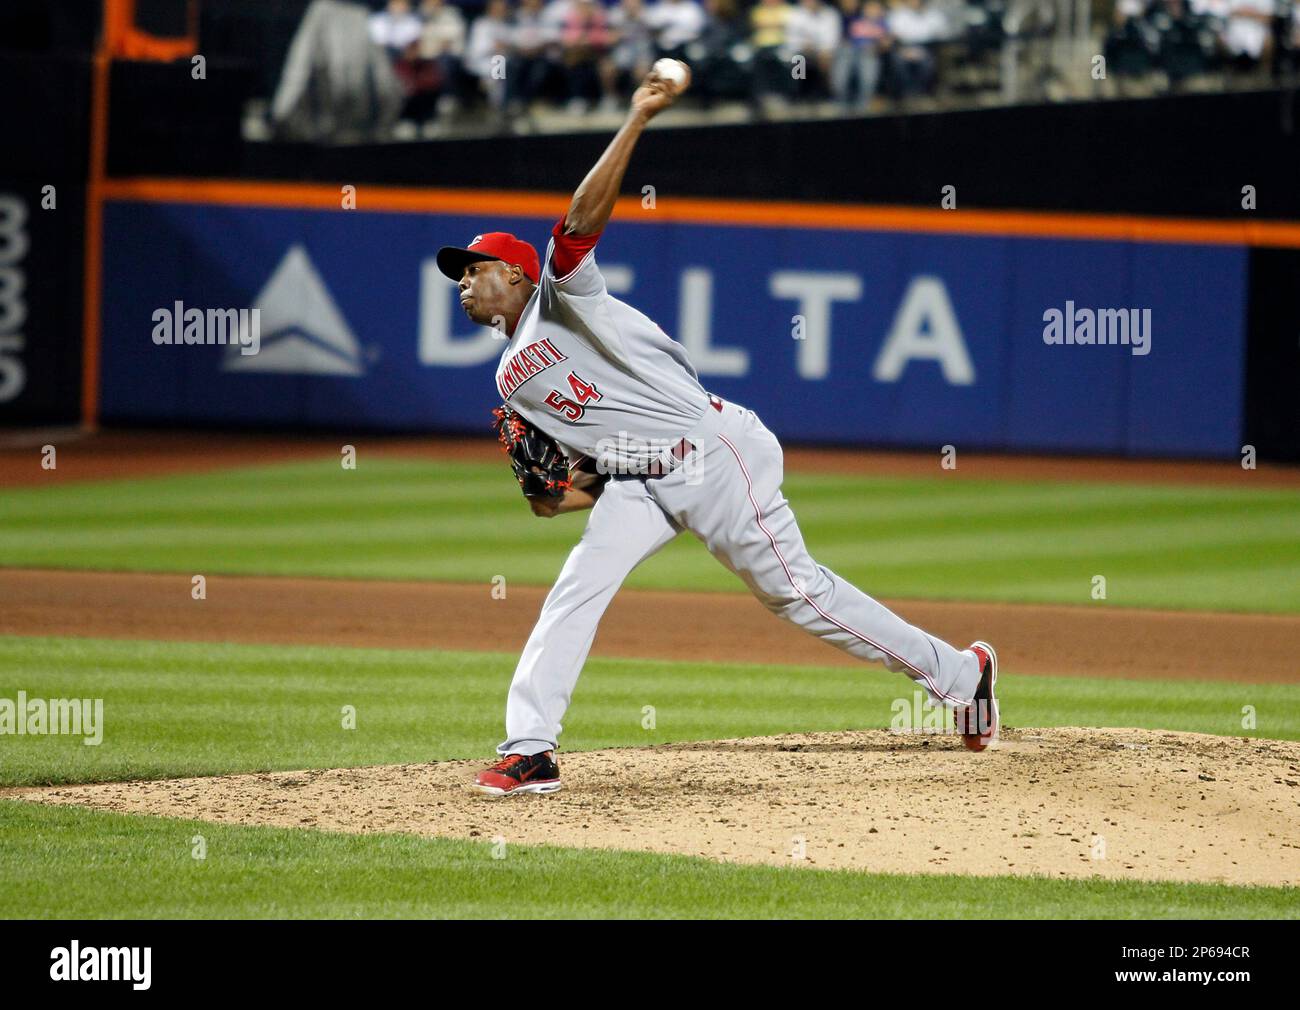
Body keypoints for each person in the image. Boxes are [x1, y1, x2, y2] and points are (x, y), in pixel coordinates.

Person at [435, 64, 1000, 796]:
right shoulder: (509, 382)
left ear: (515, 276)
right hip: (644, 475)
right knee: (575, 590)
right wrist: (562, 487)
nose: (463, 280)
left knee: (799, 595)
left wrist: (637, 117)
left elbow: (577, 222)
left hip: (713, 450)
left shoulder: (562, 298)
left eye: (475, 268)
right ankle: (531, 748)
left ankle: (963, 675)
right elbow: (554, 496)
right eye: (459, 273)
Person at [832, 0, 890, 110]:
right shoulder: (855, 20)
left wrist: (877, 46)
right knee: (843, 62)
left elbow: (886, 43)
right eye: (870, 8)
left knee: (867, 68)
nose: (872, 11)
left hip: (870, 54)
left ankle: (863, 106)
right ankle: (841, 103)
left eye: (876, 8)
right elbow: (844, 39)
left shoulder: (883, 24)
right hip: (850, 53)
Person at [464, 0, 515, 114]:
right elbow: (476, 49)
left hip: (504, 61)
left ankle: (505, 103)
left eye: (503, 9)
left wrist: (504, 46)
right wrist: (494, 45)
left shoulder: (506, 25)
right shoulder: (481, 24)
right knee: (498, 63)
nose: (501, 12)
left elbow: (512, 45)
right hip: (480, 61)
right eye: (498, 9)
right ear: (490, 10)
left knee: (504, 63)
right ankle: (496, 105)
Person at [787, 0, 842, 100]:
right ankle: (799, 95)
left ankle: (825, 95)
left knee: (825, 61)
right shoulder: (795, 14)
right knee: (799, 60)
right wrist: (804, 46)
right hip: (801, 51)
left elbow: (832, 39)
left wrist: (823, 51)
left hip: (824, 52)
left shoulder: (830, 14)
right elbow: (791, 39)